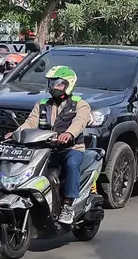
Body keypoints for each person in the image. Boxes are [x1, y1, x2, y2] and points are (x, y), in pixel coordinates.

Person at [9, 65, 92, 224]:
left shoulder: (80, 104)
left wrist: (69, 134)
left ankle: (68, 205)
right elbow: (30, 122)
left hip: (71, 148)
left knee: (72, 164)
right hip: (45, 148)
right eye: (52, 83)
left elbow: (80, 121)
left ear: (69, 84)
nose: (54, 87)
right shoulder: (42, 104)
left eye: (59, 83)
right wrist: (16, 133)